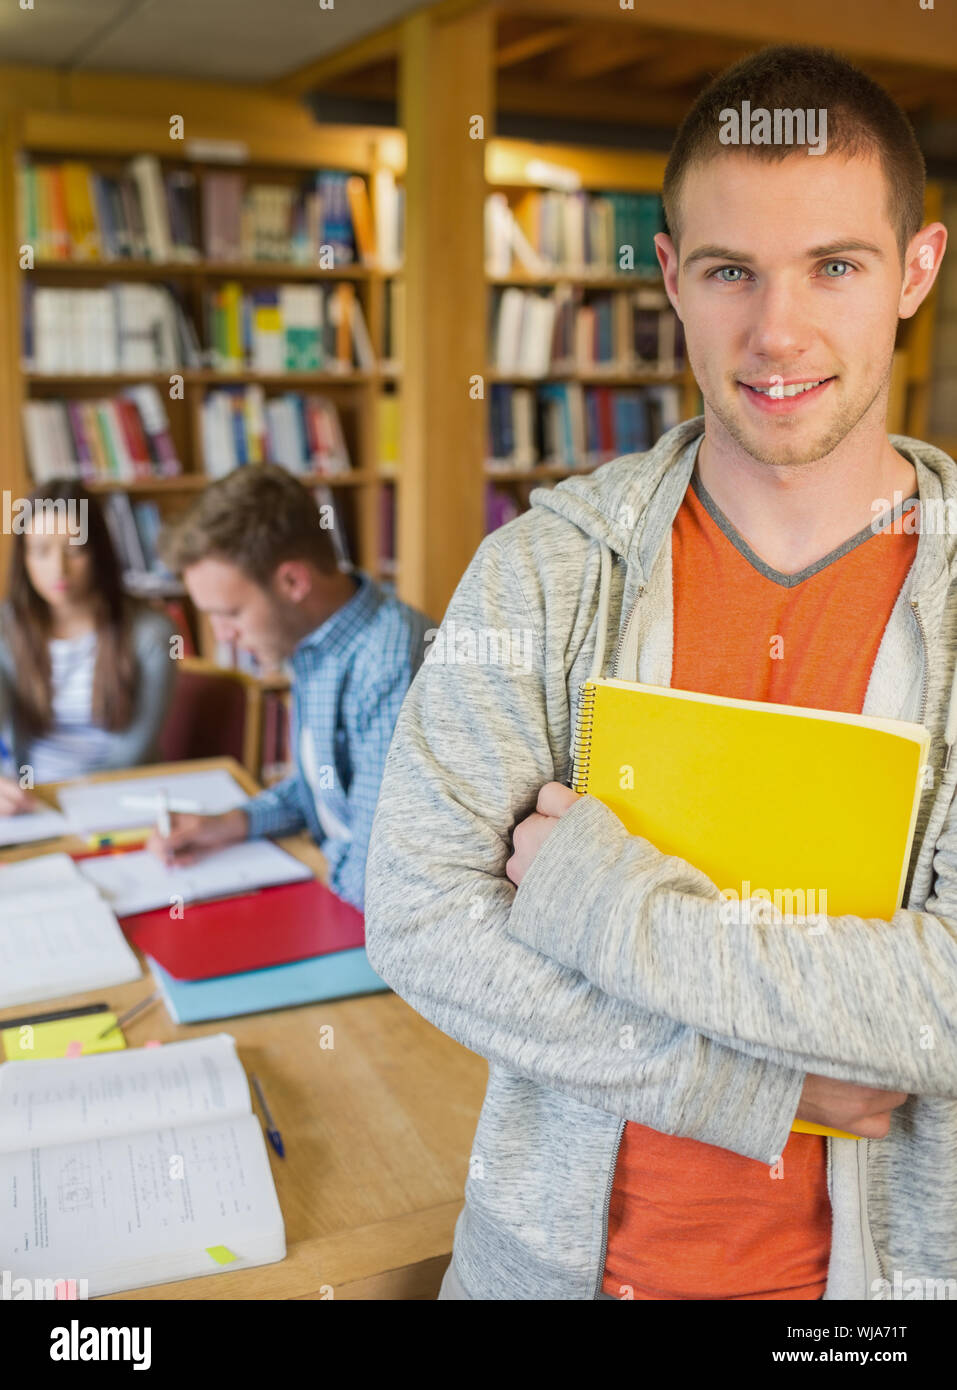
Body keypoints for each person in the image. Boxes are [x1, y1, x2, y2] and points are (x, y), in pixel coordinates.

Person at [364, 44, 956, 1301]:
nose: (777, 330)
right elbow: (420, 913)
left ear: (917, 271)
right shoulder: (540, 573)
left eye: (835, 267)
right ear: (674, 281)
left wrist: (600, 900)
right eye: (733, 271)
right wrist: (764, 1084)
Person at [150, 464, 432, 911]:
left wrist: (313, 873)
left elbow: (376, 871)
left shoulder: (389, 659)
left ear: (293, 582)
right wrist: (232, 823)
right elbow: (320, 791)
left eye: (231, 613)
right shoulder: (315, 641)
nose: (222, 635)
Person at [0, 478, 175, 808]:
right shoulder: (5, 629)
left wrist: (73, 800)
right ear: (23, 558)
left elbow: (133, 752)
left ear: (99, 551)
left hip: (119, 796)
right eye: (40, 551)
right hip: (28, 798)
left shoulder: (153, 633)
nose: (58, 569)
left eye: (74, 550)